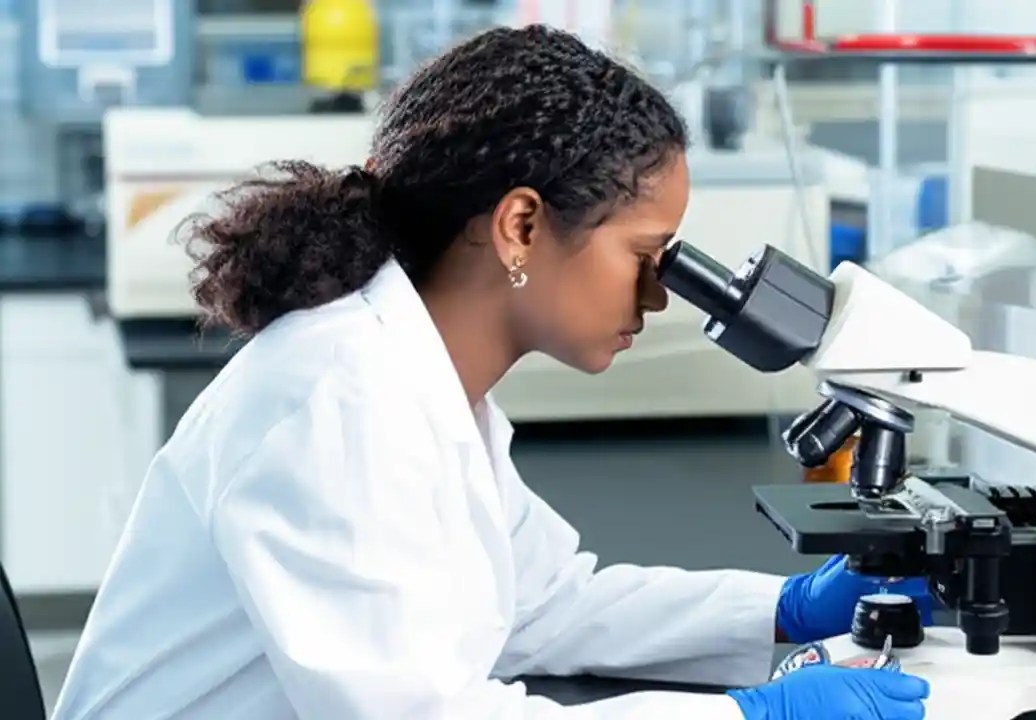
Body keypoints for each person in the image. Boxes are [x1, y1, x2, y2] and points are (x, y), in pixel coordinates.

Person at [51, 25, 930, 720]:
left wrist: (781, 611)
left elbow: (543, 606)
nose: (659, 295)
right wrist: (749, 716)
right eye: (645, 253)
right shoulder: (339, 396)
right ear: (519, 227)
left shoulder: (422, 379)